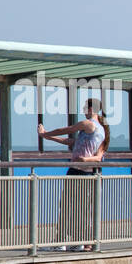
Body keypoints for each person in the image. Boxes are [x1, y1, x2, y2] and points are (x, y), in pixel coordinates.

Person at [39, 98, 109, 250]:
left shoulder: (89, 124)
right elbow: (68, 141)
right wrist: (47, 137)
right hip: (82, 172)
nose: (84, 110)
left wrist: (45, 133)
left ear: (93, 109)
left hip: (80, 172)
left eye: (86, 108)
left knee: (70, 207)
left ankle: (65, 241)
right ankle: (75, 241)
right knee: (78, 208)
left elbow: (66, 129)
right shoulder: (99, 130)